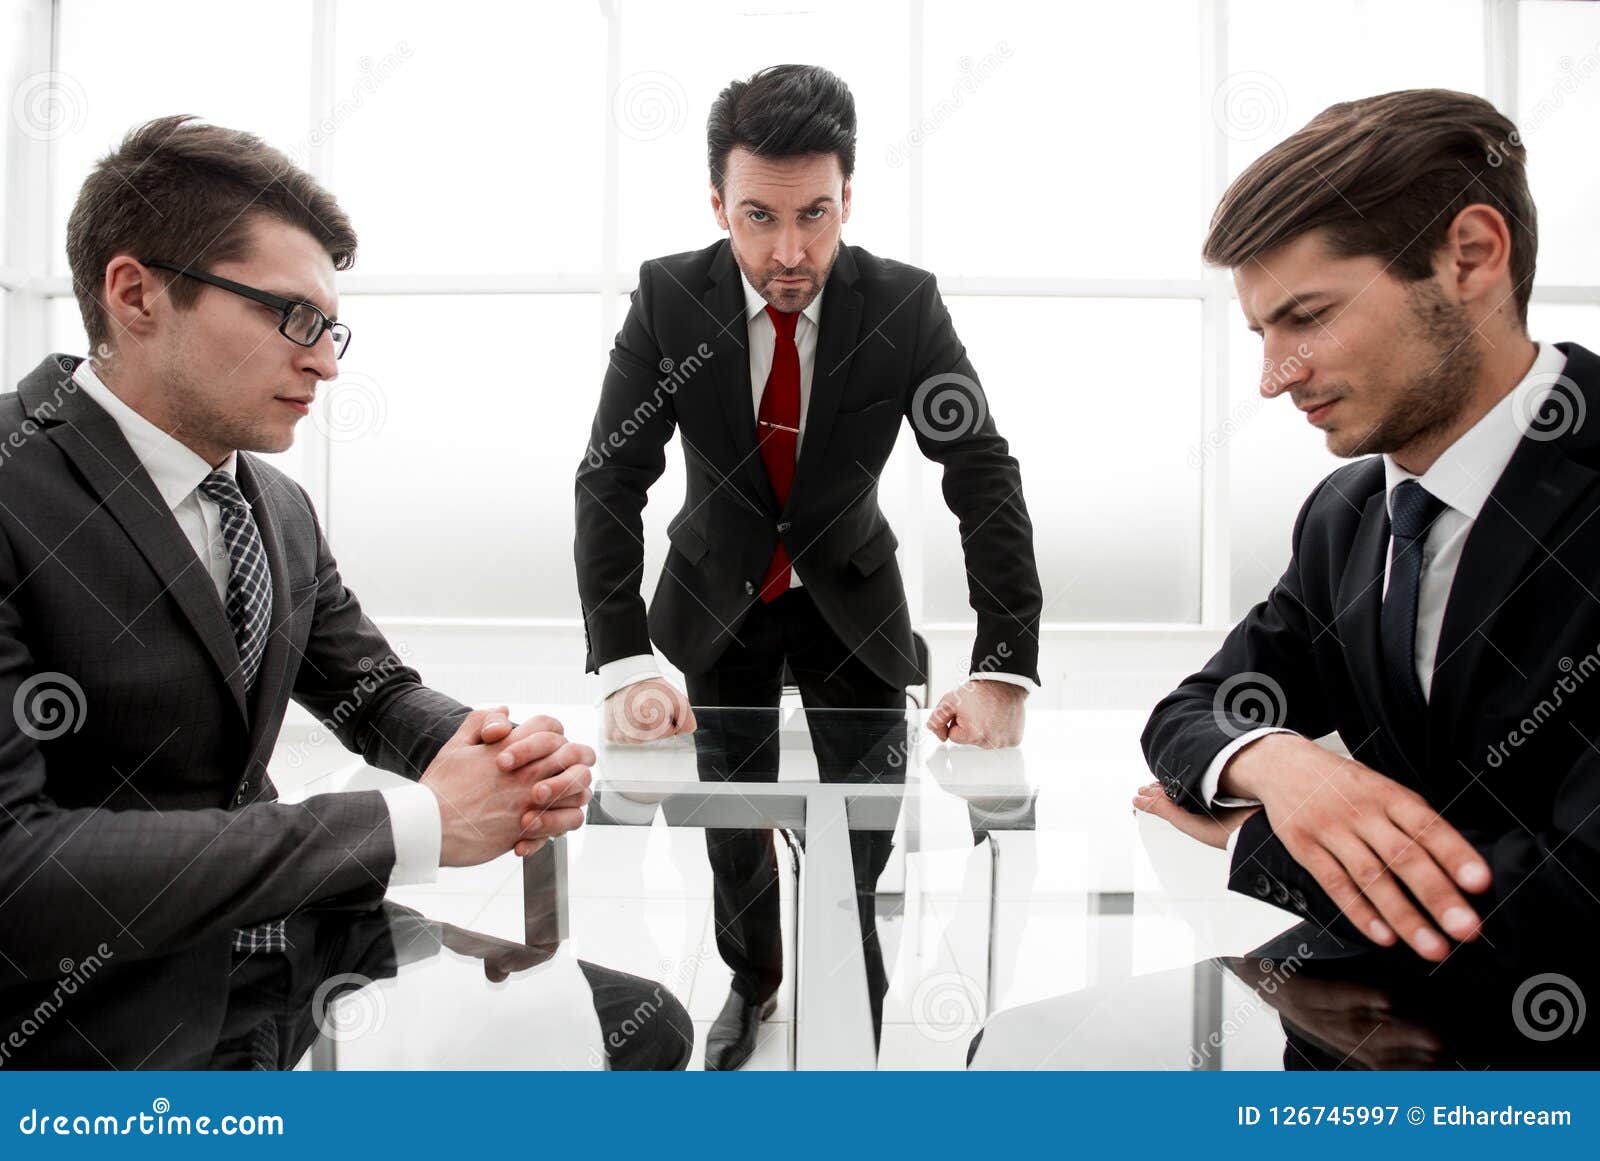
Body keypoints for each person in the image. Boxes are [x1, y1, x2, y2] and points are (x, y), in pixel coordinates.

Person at [0, 116, 686, 1069]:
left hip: (292, 942)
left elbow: (370, 689)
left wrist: (491, 750)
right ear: (136, 293)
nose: (325, 360)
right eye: (293, 318)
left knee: (642, 1026)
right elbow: (17, 874)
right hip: (99, 1009)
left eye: (332, 328)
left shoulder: (273, 504)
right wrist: (416, 822)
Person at [574, 65, 1043, 1068]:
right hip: (715, 600)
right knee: (733, 832)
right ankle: (752, 980)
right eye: (757, 217)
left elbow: (981, 472)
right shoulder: (666, 300)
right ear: (716, 204)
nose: (789, 252)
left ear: (847, 200)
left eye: (815, 215)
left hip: (852, 605)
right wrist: (622, 666)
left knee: (862, 842)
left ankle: (852, 1000)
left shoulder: (904, 307)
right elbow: (610, 480)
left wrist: (1001, 664)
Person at [1135, 89, 1600, 968]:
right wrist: (1283, 765)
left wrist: (1251, 843)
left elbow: (1574, 895)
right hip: (1365, 1037)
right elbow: (1190, 713)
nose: (1275, 378)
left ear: (1469, 257)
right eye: (1263, 332)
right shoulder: (1348, 514)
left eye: (1308, 318)